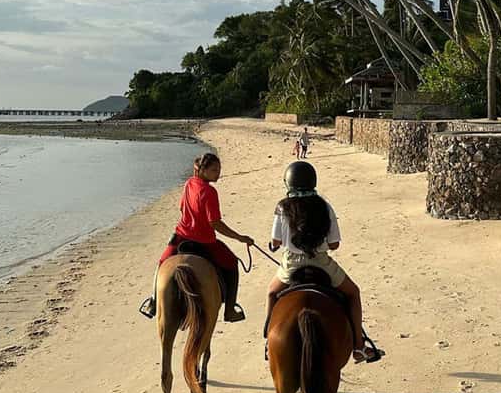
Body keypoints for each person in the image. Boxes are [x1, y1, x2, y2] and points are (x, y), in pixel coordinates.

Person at [265, 161, 374, 362]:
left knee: (272, 293)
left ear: (288, 183)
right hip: (321, 262)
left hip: (292, 263)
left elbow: (277, 241)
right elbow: (334, 245)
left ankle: (267, 343)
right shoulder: (324, 206)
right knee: (353, 293)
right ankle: (358, 346)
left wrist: (274, 245)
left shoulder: (282, 207)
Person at [140, 152, 254, 322]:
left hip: (181, 237)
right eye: (214, 170)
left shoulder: (188, 184)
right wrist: (239, 237)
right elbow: (215, 223)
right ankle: (230, 310)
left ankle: (153, 301)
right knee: (231, 263)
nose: (218, 173)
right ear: (203, 170)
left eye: (219, 169)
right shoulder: (209, 192)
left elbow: (181, 208)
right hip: (205, 242)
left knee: (162, 262)